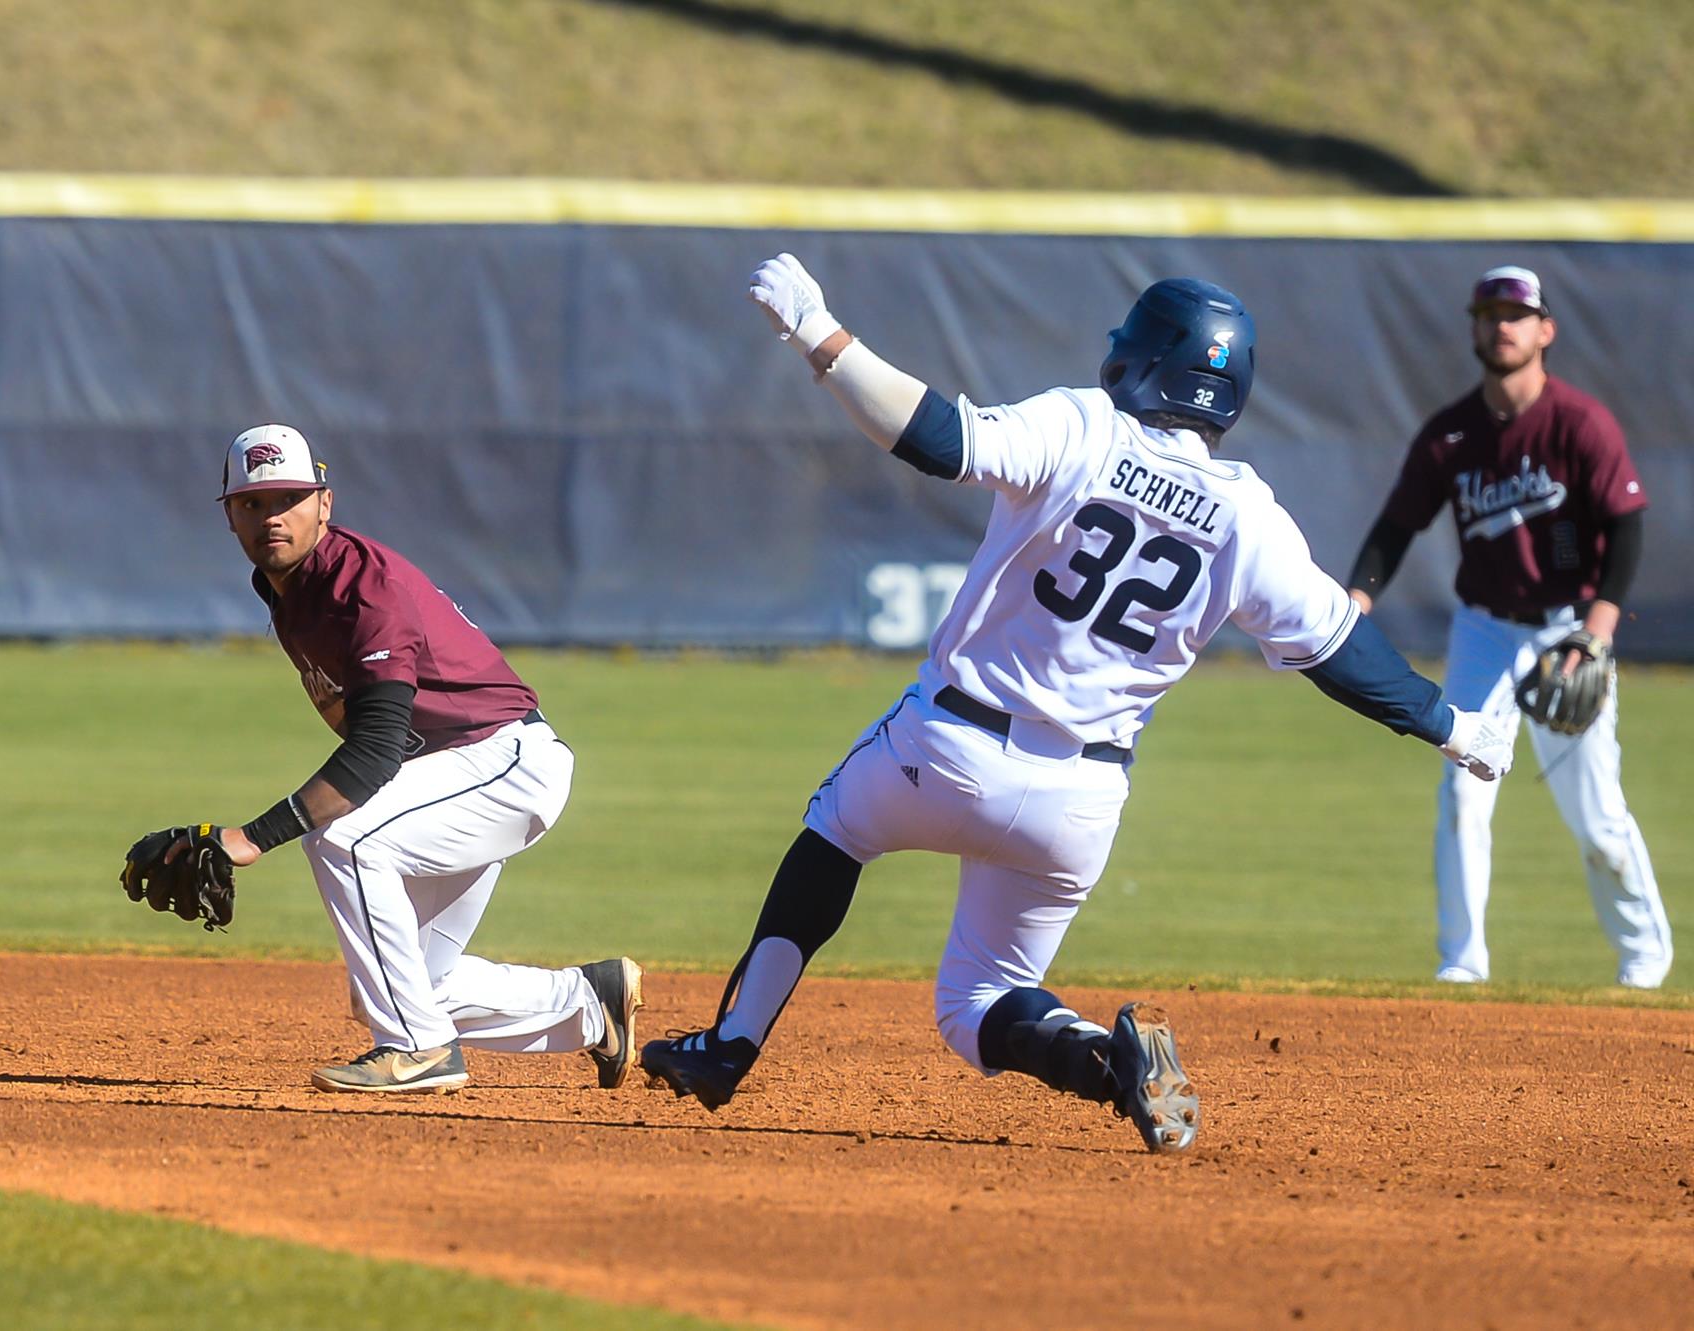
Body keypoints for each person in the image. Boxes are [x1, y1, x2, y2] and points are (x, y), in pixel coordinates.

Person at [639, 255, 1514, 1152]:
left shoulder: (1087, 425)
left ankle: (729, 1047)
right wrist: (1452, 726)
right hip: (1081, 802)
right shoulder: (1251, 517)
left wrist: (821, 336)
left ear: (1148, 361)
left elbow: (943, 439)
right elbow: (1342, 651)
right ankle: (1109, 1056)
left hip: (949, 743)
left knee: (835, 835)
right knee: (978, 1002)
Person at [135, 424, 643, 1092]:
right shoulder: (288, 589)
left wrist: (248, 839)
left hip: (502, 761)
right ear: (228, 513)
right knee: (402, 981)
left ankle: (419, 1047)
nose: (271, 516)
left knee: (342, 838)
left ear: (325, 502)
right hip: (454, 769)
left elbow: (373, 752)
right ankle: (589, 1002)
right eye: (252, 503)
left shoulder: (362, 588)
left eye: (288, 497)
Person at [1345, 265, 1671, 989]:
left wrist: (1598, 632)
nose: (1502, 324)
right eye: (1489, 312)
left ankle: (1645, 959)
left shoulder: (1578, 423)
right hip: (1485, 629)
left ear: (1545, 330)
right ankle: (1463, 959)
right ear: (1475, 327)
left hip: (1567, 632)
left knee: (1596, 811)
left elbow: (1626, 526)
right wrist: (1355, 604)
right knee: (1463, 789)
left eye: (1516, 313)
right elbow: (1395, 528)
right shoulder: (1451, 433)